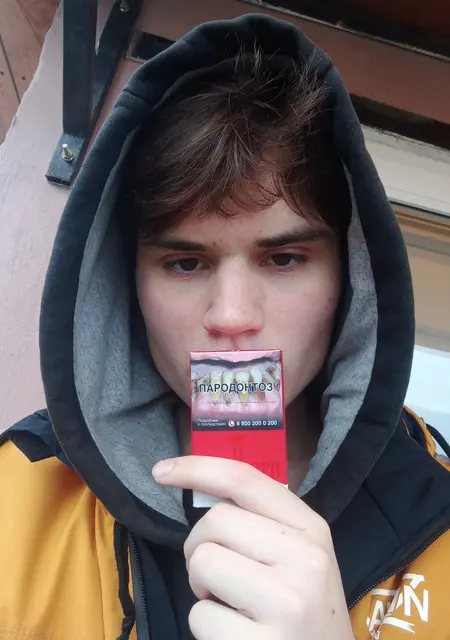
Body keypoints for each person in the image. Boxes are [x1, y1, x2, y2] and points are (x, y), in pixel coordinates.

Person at [1, 12, 450, 640]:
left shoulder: (436, 505)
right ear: (126, 287)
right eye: (185, 263)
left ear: (349, 281)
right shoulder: (19, 492)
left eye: (284, 258)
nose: (233, 318)